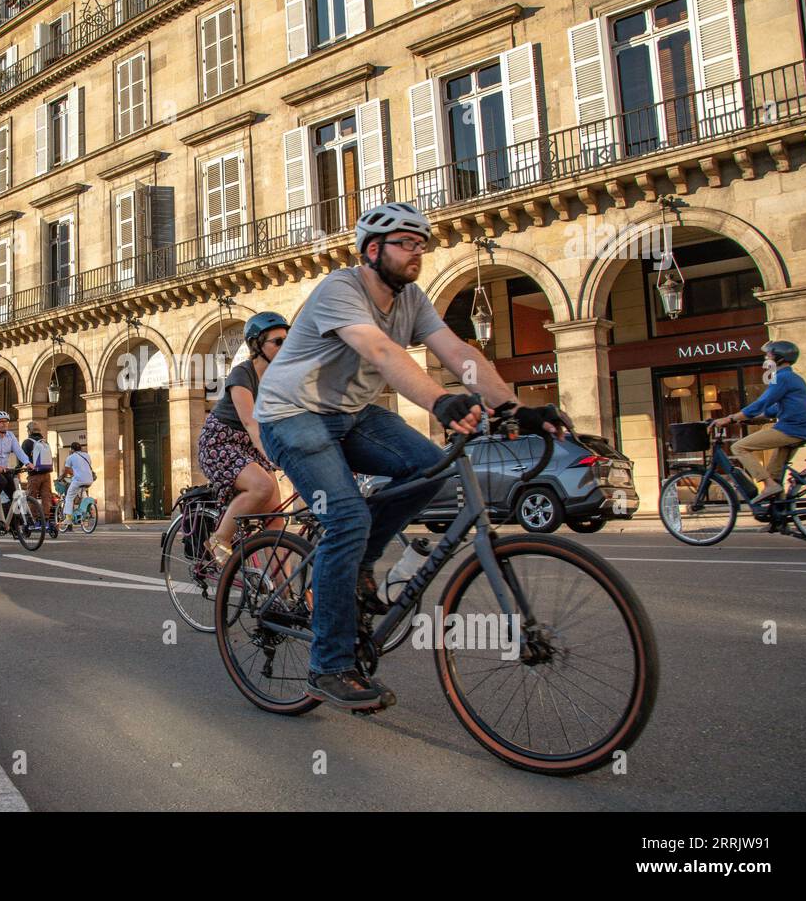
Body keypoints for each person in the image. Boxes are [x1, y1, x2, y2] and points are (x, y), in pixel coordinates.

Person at [253, 202, 568, 711]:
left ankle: (358, 564)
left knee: (428, 469)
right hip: (292, 415)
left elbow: (460, 354)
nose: (417, 253)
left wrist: (514, 406)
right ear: (373, 250)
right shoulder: (341, 290)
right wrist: (440, 400)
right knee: (347, 515)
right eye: (406, 244)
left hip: (352, 414)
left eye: (422, 244)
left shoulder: (413, 299)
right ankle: (329, 667)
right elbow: (381, 352)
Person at [196, 312, 288, 565]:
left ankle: (285, 594)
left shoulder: (279, 379)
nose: (285, 346)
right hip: (220, 443)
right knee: (262, 486)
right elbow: (251, 423)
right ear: (257, 345)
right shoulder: (242, 373)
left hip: (251, 448)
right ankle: (219, 538)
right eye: (278, 342)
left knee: (276, 519)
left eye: (287, 341)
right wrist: (274, 456)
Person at [712, 340, 806, 501]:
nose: (765, 358)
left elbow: (762, 403)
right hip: (800, 429)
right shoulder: (792, 377)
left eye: (768, 355)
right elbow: (774, 408)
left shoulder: (782, 377)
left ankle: (768, 485)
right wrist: (752, 420)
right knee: (774, 474)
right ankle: (778, 520)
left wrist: (730, 418)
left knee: (739, 447)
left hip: (792, 429)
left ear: (779, 358)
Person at [0, 411, 33, 523]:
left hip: (4, 469)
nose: (5, 424)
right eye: (1, 422)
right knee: (0, 481)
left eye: (6, 422)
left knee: (14, 494)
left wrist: (28, 462)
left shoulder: (10, 436)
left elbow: (19, 451)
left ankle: (14, 524)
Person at [23, 421, 57, 537]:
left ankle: (35, 520)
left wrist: (17, 469)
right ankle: (46, 520)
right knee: (46, 496)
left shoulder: (27, 442)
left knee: (31, 497)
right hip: (47, 473)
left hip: (34, 474)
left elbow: (22, 458)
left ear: (29, 431)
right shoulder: (44, 442)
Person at [60, 441, 94, 528]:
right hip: (89, 480)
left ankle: (68, 518)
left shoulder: (70, 457)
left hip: (78, 480)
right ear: (81, 448)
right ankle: (86, 516)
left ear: (71, 449)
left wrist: (61, 477)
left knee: (69, 497)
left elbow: (66, 470)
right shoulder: (87, 455)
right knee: (83, 495)